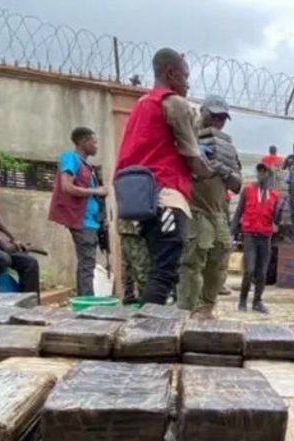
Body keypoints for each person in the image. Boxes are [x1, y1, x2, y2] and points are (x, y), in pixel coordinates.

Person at [115, 47, 214, 305]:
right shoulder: (175, 103)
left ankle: (147, 327)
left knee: (151, 275)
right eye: (185, 75)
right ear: (171, 73)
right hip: (166, 197)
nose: (188, 83)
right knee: (165, 273)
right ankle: (149, 334)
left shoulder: (141, 104)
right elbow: (191, 156)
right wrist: (210, 172)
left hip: (137, 198)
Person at [176, 95, 242, 319]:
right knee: (192, 263)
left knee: (219, 263)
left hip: (218, 213)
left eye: (223, 117)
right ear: (202, 112)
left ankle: (205, 309)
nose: (218, 121)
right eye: (213, 115)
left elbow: (238, 184)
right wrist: (196, 156)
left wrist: (224, 170)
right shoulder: (188, 138)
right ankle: (186, 312)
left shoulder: (228, 147)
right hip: (194, 210)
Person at [49, 127, 108, 296]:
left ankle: (86, 300)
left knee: (88, 262)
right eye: (94, 142)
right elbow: (67, 186)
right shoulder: (70, 158)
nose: (97, 146)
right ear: (83, 142)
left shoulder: (87, 166)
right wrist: (96, 191)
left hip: (92, 221)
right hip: (81, 220)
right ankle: (86, 303)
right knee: (87, 263)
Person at [232, 164, 285, 313]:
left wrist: (279, 214)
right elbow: (238, 211)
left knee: (262, 272)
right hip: (250, 235)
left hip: (265, 237)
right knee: (249, 270)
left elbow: (276, 220)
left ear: (269, 175)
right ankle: (242, 300)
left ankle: (257, 301)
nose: (261, 174)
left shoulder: (274, 195)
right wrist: (232, 232)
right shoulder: (248, 190)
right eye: (259, 171)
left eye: (264, 172)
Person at [120, 219, 149, 305]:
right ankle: (145, 299)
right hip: (135, 227)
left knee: (130, 265)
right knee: (140, 266)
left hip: (128, 227)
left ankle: (130, 295)